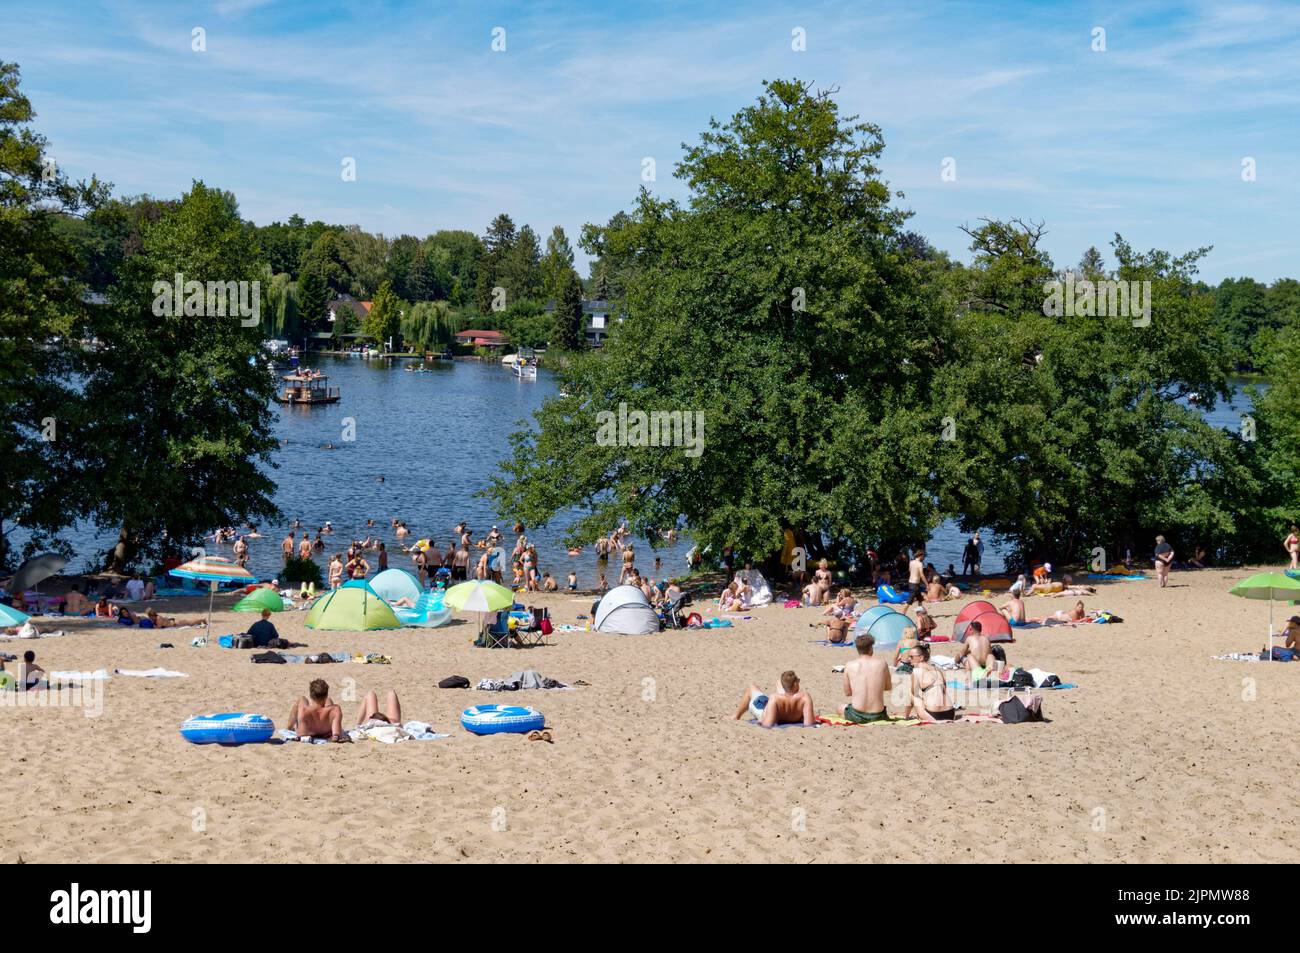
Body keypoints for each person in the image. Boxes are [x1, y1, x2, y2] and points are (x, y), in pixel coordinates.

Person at [840, 634, 892, 723]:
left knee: (840, 707)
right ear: (871, 648)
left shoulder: (849, 665)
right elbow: (888, 687)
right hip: (878, 715)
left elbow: (848, 693)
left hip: (856, 714)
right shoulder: (882, 664)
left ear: (858, 649)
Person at [732, 671, 814, 727]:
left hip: (772, 709)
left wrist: (761, 720)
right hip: (785, 707)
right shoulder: (805, 697)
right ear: (796, 684)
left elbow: (767, 723)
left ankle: (736, 716)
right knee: (779, 681)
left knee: (752, 687)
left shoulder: (775, 698)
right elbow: (809, 723)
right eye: (798, 681)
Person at [903, 643, 956, 720]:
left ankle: (905, 716)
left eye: (911, 657)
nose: (909, 659)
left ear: (921, 658)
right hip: (950, 714)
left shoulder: (916, 671)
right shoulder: (937, 670)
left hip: (933, 715)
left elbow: (913, 694)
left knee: (911, 694)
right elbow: (944, 689)